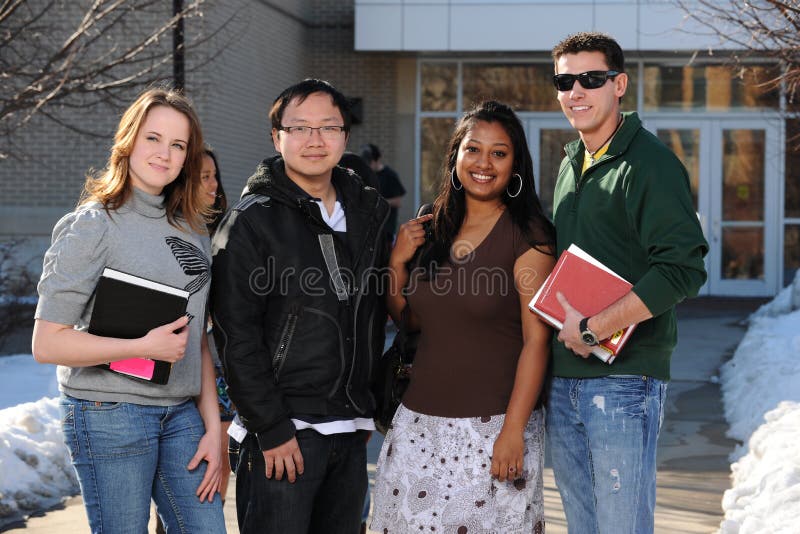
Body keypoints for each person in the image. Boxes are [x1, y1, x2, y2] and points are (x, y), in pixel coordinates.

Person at [31, 88, 226, 533]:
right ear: (128, 141)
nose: (165, 154)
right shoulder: (93, 225)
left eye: (178, 145)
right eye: (153, 138)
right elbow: (47, 342)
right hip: (107, 412)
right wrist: (142, 346)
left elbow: (196, 341)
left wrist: (213, 429)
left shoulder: (192, 231)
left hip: (181, 415)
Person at [210, 78, 391, 534]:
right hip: (283, 435)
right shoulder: (252, 221)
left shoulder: (367, 213)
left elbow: (369, 315)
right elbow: (235, 336)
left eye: (328, 127)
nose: (316, 140)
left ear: (345, 137)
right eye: (300, 128)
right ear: (277, 137)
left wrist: (364, 405)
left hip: (349, 430)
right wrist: (270, 427)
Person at [547, 32, 709, 534]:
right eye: (565, 80)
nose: (576, 91)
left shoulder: (650, 164)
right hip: (564, 378)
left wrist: (595, 328)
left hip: (624, 383)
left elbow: (682, 269)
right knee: (583, 526)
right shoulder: (570, 161)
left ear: (619, 85)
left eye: (591, 79)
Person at [371, 100, 556, 533]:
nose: (484, 163)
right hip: (417, 427)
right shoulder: (431, 228)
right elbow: (410, 321)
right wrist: (397, 263)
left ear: (516, 165)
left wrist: (512, 432)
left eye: (499, 152)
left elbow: (537, 342)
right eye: (473, 149)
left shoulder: (530, 236)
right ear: (455, 156)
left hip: (491, 428)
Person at [361, 142, 406, 239]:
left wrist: (377, 201)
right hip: (368, 230)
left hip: (386, 230)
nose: (367, 165)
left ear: (377, 159)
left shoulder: (390, 175)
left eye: (370, 162)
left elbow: (398, 202)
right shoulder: (365, 175)